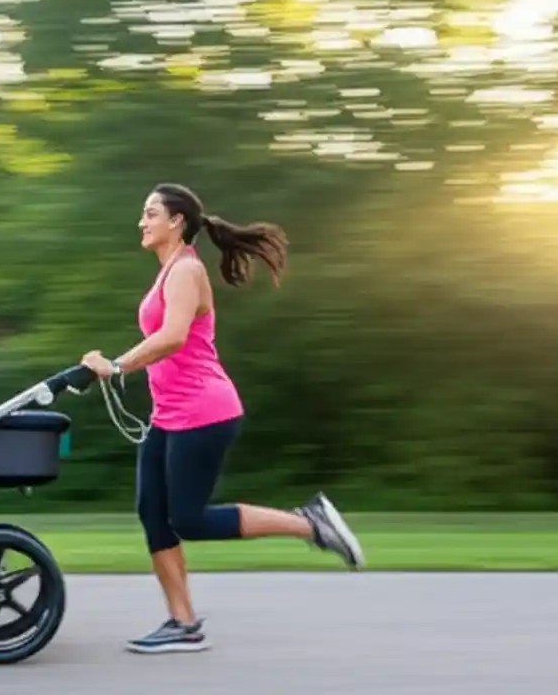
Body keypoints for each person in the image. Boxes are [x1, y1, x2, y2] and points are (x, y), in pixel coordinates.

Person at [80, 182, 365, 655]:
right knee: (153, 513)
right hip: (170, 414)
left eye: (151, 213)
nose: (142, 221)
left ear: (176, 221)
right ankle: (183, 623)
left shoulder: (186, 270)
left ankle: (311, 523)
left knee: (187, 519)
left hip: (203, 412)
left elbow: (172, 337)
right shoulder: (168, 270)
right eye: (143, 214)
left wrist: (117, 365)